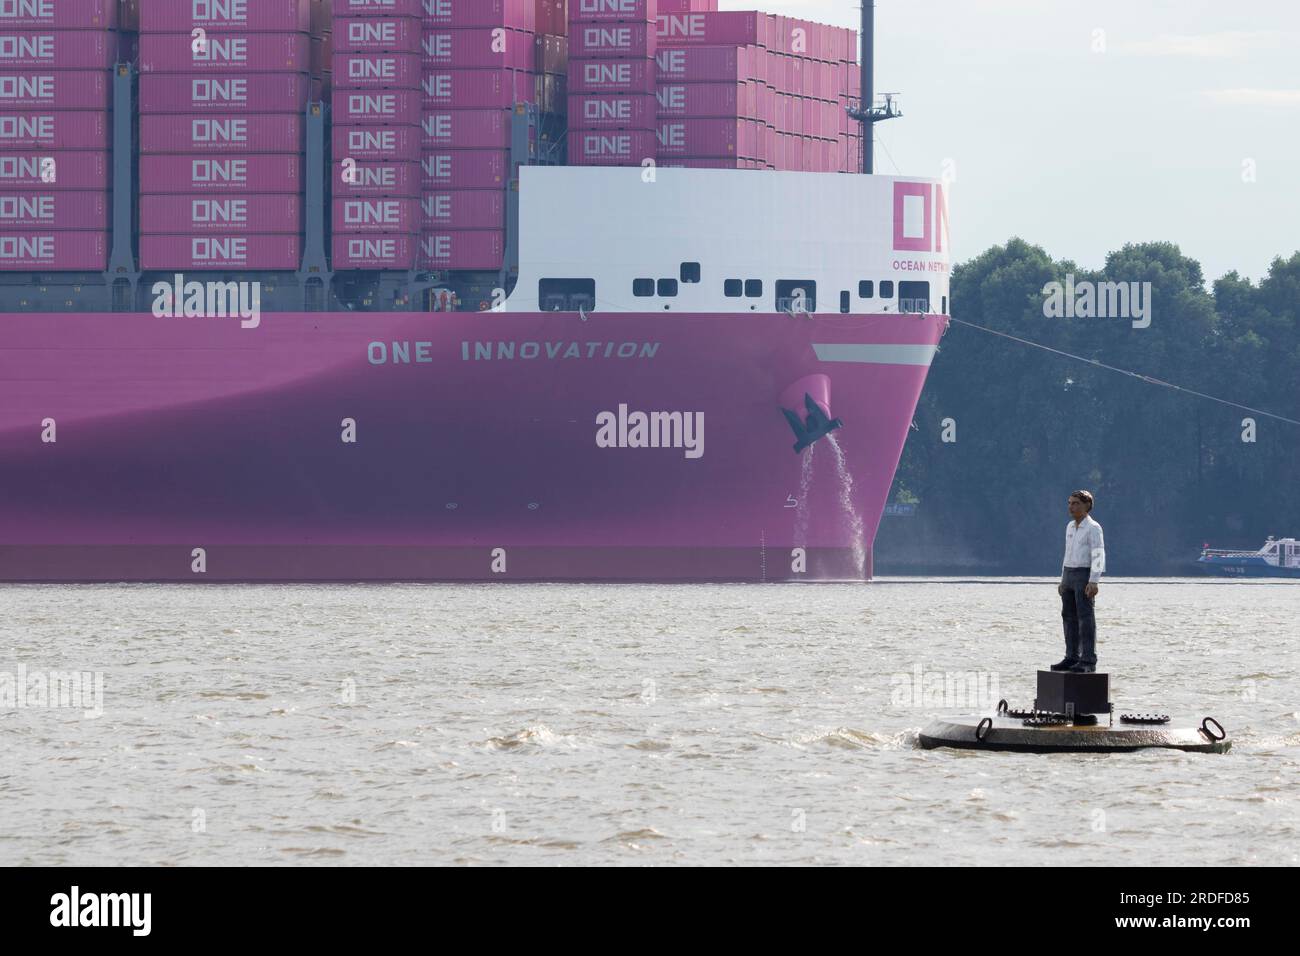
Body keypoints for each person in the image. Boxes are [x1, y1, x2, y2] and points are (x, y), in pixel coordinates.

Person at [1051, 490, 1105, 674]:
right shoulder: (1069, 527)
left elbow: (1098, 554)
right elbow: (1067, 553)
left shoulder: (1093, 527)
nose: (1071, 507)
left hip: (1084, 573)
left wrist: (1094, 581)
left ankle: (1088, 659)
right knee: (1068, 617)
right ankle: (1071, 656)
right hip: (1068, 573)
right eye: (1070, 503)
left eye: (1076, 503)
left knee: (1086, 618)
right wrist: (1062, 580)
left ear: (1087, 506)